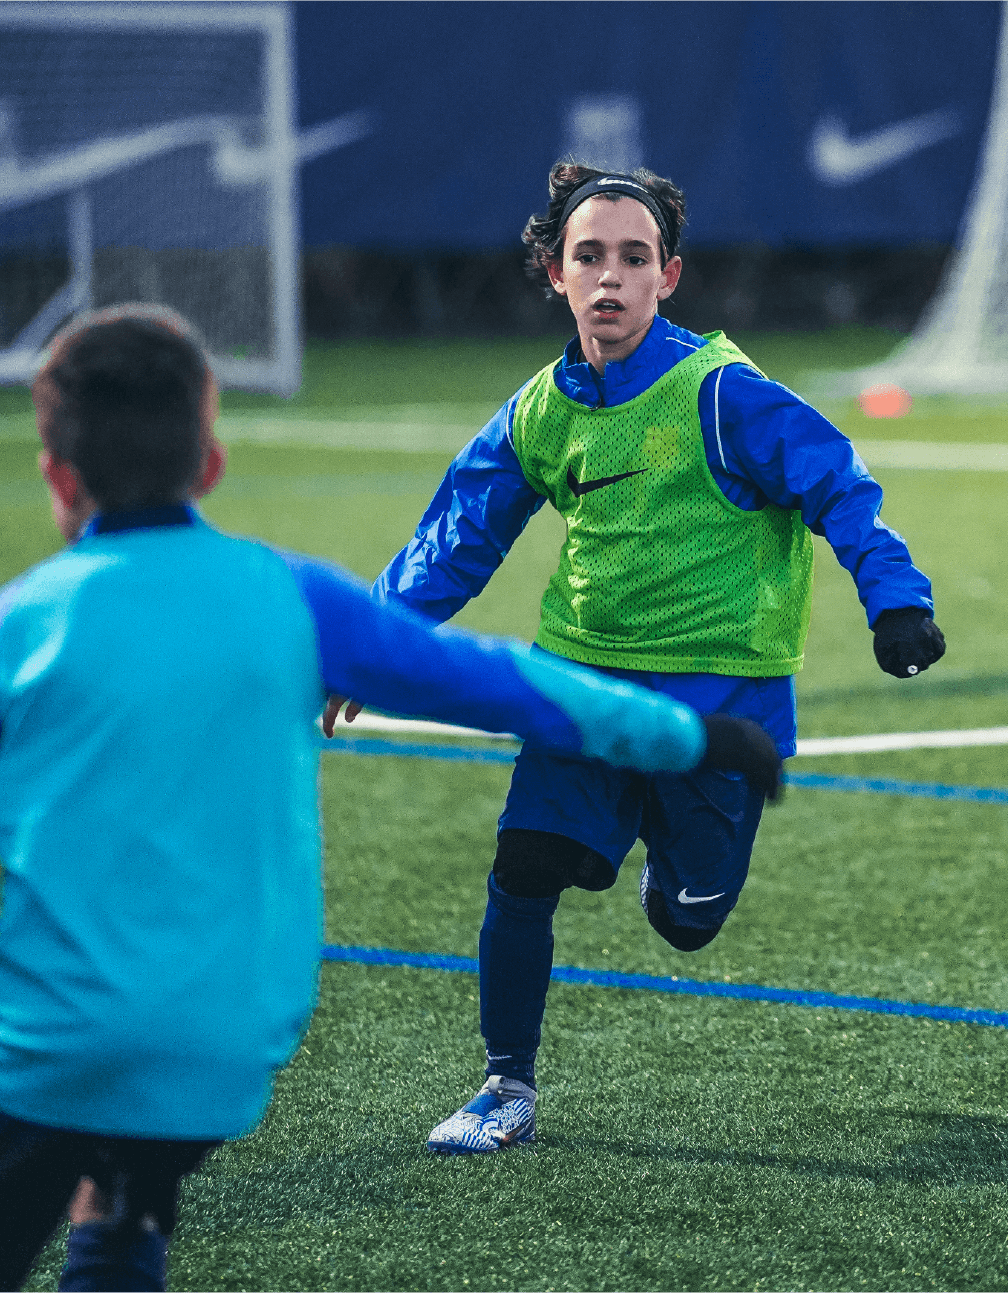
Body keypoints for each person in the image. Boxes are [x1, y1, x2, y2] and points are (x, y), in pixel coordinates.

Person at [0, 304, 783, 1292]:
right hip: (225, 1042)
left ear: (56, 476)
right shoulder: (297, 600)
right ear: (210, 465)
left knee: (72, 1117)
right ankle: (119, 1223)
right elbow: (507, 683)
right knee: (121, 1197)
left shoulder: (24, 625)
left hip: (51, 1043)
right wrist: (696, 736)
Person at [341, 163, 945, 1155]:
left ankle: (681, 877)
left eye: (633, 258)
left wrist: (897, 601)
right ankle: (506, 1087)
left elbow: (840, 481)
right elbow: (457, 537)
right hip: (580, 682)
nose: (610, 279)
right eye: (589, 257)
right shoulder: (541, 409)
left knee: (689, 922)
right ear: (555, 274)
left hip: (719, 701)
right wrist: (369, 647)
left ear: (669, 274)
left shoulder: (722, 395)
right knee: (524, 866)